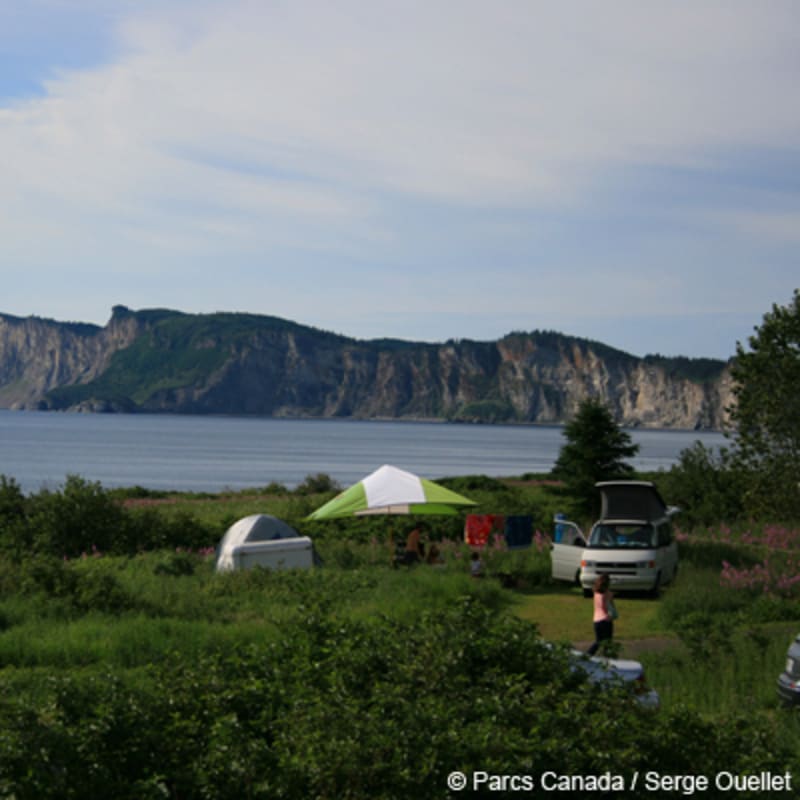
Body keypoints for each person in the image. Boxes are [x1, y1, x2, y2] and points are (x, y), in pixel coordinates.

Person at [587, 574, 614, 656]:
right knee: (608, 643)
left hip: (596, 620)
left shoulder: (595, 593)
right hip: (606, 619)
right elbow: (611, 608)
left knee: (598, 641)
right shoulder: (608, 594)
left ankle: (588, 654)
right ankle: (607, 658)